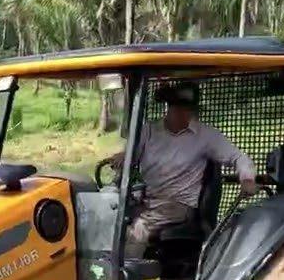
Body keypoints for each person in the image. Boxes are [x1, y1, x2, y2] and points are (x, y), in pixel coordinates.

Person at [107, 81, 259, 259]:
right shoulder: (149, 132)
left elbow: (238, 157)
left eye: (188, 109)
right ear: (168, 107)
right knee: (110, 217)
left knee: (139, 231)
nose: (183, 114)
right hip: (148, 199)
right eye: (178, 108)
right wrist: (120, 158)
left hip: (180, 205)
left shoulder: (205, 136)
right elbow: (129, 155)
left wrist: (247, 178)